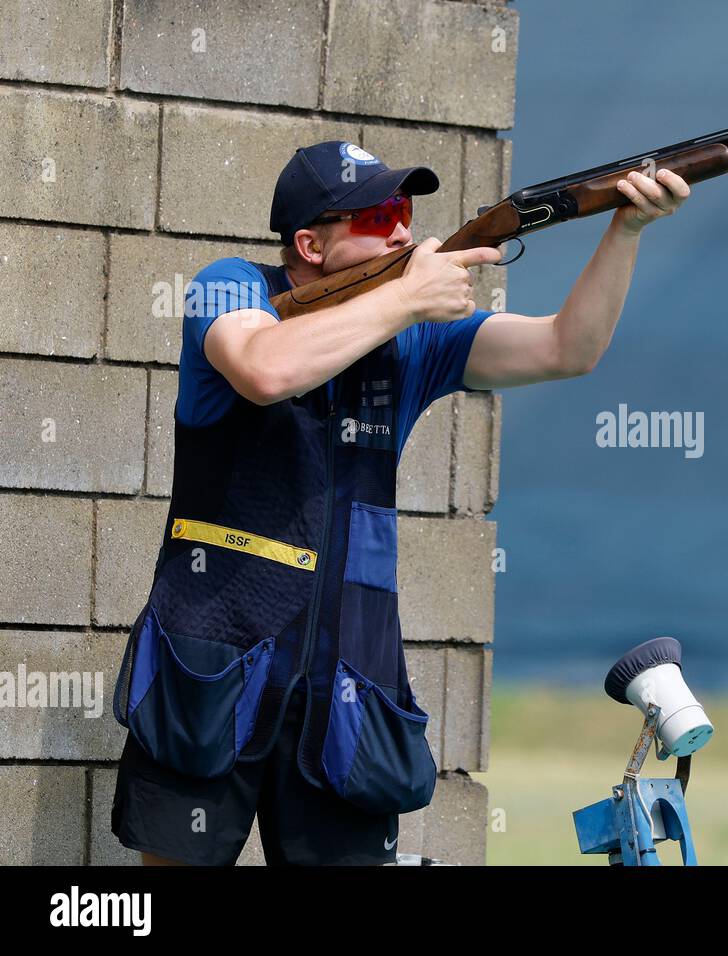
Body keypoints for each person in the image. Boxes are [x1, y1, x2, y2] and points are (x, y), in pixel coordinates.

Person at [109, 140, 689, 865]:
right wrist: (409, 297)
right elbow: (265, 368)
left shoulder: (413, 343)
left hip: (349, 685)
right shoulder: (228, 286)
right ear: (309, 244)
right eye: (379, 214)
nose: (404, 233)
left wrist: (625, 230)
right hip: (212, 663)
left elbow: (567, 349)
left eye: (407, 211)